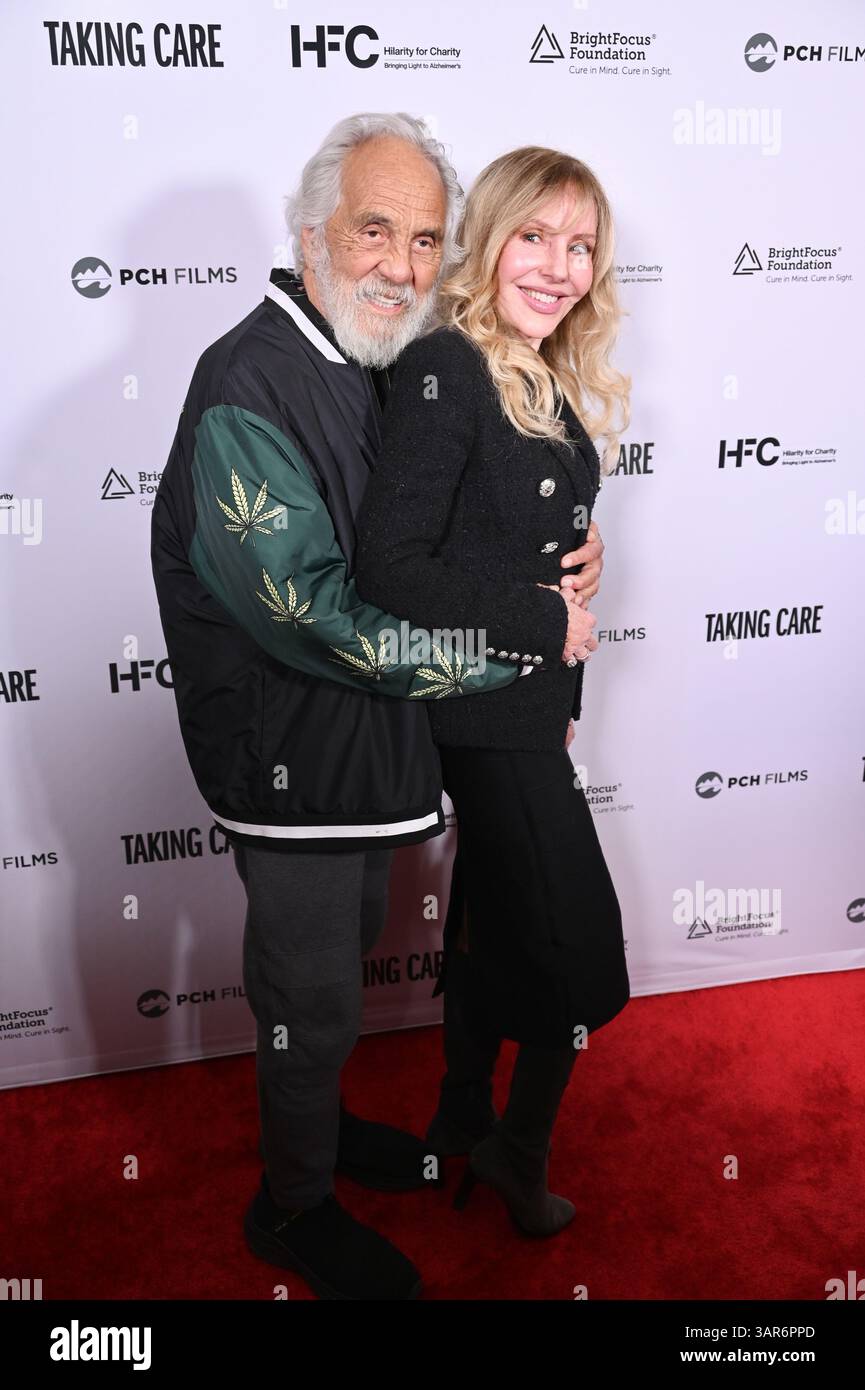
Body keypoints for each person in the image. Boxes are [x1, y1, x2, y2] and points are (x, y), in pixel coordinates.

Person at [151, 115, 605, 1298]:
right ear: (309, 236)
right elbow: (312, 612)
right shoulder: (246, 380)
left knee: (337, 975)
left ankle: (322, 1134)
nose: (401, 265)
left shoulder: (370, 354)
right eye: (372, 230)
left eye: (422, 238)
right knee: (306, 986)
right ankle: (289, 1207)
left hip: (361, 754)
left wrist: (557, 561)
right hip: (287, 756)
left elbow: (437, 533)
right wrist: (519, 654)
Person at [356, 145, 631, 1238]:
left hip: (528, 711)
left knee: (489, 930)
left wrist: (579, 559)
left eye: (581, 247)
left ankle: (461, 1122)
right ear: (492, 236)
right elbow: (390, 565)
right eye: (537, 236)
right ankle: (515, 1155)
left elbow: (519, 534)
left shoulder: (534, 365)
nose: (560, 267)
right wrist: (541, 618)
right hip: (479, 713)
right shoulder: (448, 368)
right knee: (578, 959)